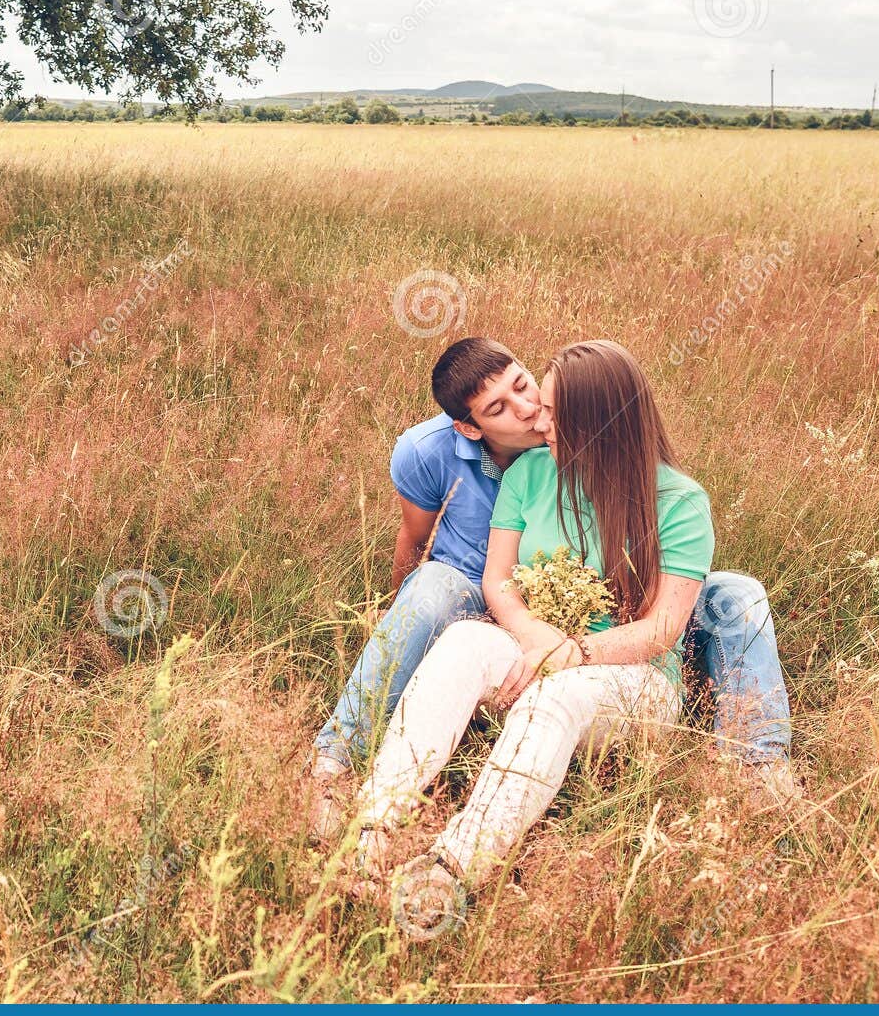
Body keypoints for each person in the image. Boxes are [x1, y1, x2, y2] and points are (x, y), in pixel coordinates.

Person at [307, 337, 794, 840]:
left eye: (526, 389)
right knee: (436, 598)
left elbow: (662, 620)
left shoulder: (657, 486)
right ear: (470, 427)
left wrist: (577, 650)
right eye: (499, 408)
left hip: (609, 626)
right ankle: (340, 767)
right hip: (486, 599)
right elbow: (422, 545)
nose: (531, 414)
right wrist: (402, 623)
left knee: (736, 593)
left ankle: (756, 763)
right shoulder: (449, 456)